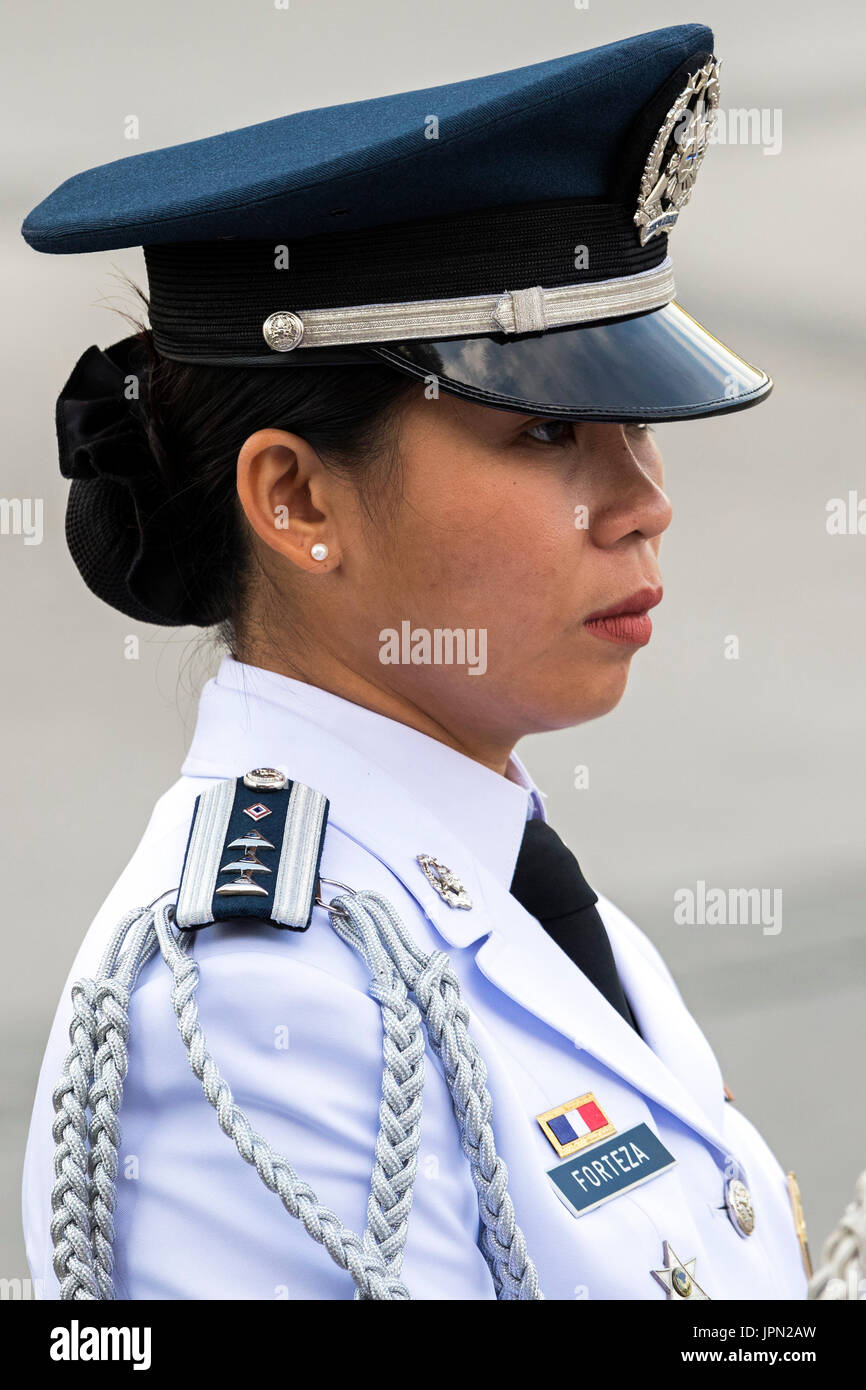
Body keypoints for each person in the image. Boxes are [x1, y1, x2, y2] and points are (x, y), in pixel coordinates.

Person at [21, 23, 810, 1300]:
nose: (640, 498)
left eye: (636, 422)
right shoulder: (251, 1007)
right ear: (296, 501)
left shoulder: (489, 882)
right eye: (549, 426)